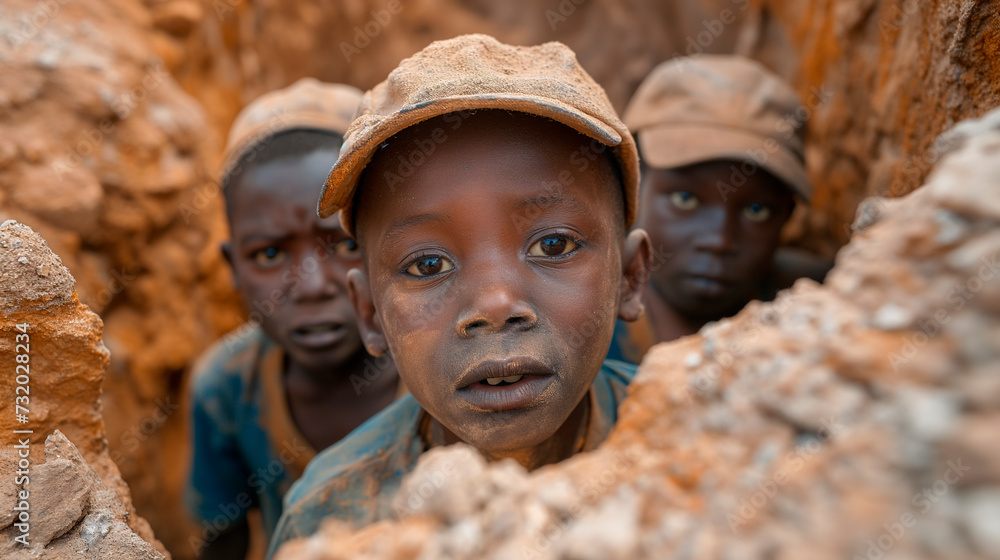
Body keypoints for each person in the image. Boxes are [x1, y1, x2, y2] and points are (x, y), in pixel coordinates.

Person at [265, 34, 653, 557]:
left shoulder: (697, 456)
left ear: (629, 277)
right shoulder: (331, 519)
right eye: (428, 265)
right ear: (370, 314)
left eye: (553, 244)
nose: (494, 305)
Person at [186, 78, 404, 560]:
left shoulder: (452, 365)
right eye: (268, 254)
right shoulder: (225, 390)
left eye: (345, 245)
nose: (311, 286)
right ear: (233, 270)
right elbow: (221, 543)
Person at [607, 55, 833, 363]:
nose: (719, 240)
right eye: (685, 199)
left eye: (757, 210)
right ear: (629, 189)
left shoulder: (820, 304)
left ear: (787, 215)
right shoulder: (584, 320)